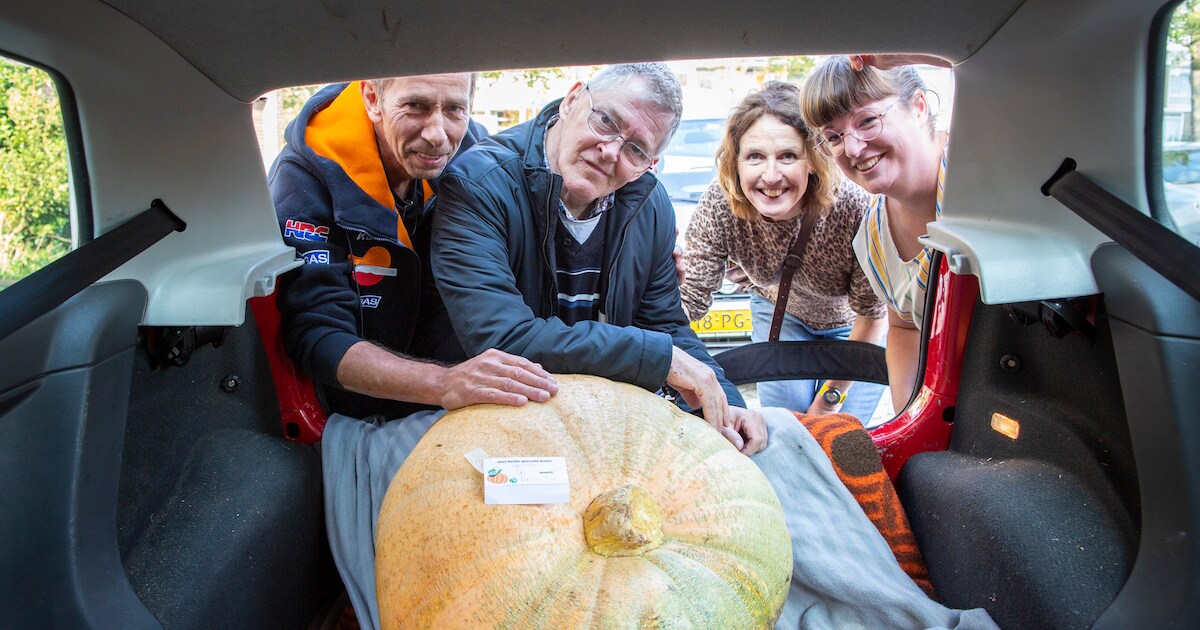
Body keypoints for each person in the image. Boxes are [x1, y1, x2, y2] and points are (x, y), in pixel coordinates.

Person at [267, 73, 558, 629]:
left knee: (535, 504)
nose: (439, 134)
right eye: (417, 107)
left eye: (456, 109)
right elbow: (319, 340)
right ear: (372, 99)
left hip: (461, 402)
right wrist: (445, 386)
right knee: (437, 574)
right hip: (367, 412)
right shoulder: (305, 178)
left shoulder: (475, 154)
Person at [431, 63, 766, 453]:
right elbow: (503, 339)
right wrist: (653, 356)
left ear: (649, 165)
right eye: (606, 120)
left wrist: (728, 403)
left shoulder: (649, 204)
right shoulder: (479, 184)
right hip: (490, 424)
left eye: (636, 149)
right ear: (572, 99)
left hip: (595, 427)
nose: (610, 150)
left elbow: (665, 326)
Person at [679, 81, 888, 422]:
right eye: (755, 157)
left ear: (812, 160)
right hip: (780, 312)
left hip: (854, 325)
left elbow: (872, 313)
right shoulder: (720, 204)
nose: (771, 176)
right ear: (737, 162)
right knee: (786, 430)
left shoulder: (853, 207)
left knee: (839, 435)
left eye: (788, 155)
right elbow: (691, 299)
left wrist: (830, 399)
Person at [800, 55, 951, 412]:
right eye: (833, 137)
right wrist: (909, 422)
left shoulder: (976, 179)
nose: (851, 149)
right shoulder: (872, 235)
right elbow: (905, 328)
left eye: (867, 121)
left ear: (918, 106)